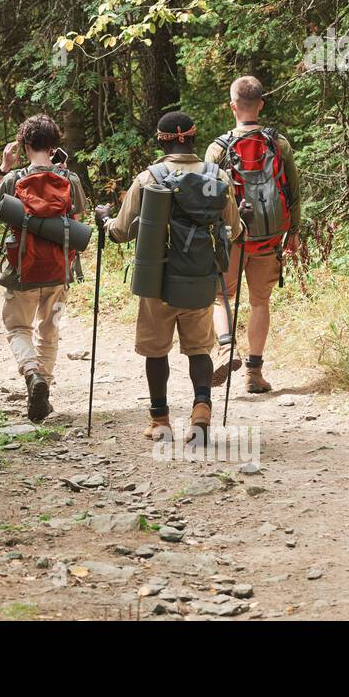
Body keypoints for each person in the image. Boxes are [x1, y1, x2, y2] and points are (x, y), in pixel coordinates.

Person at [96, 112, 241, 443]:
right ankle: (201, 410)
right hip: (201, 279)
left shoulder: (149, 178)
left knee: (156, 350)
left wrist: (104, 219)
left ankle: (160, 421)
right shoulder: (217, 176)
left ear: (161, 141)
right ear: (192, 138)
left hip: (157, 281)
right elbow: (234, 231)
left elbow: (120, 232)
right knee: (199, 349)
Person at [0, 114, 86, 422]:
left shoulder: (15, 179)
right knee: (50, 331)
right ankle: (45, 388)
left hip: (21, 271)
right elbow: (77, 221)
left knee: (18, 328)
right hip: (58, 271)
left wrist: (4, 167)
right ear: (54, 145)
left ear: (25, 145)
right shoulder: (69, 179)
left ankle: (32, 376)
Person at [205, 76, 302, 394]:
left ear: (232, 106)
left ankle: (226, 348)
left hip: (231, 237)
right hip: (269, 237)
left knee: (221, 296)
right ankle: (254, 374)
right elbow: (294, 191)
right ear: (260, 104)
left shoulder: (217, 149)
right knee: (260, 302)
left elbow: (208, 200)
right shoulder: (279, 143)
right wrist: (294, 232)